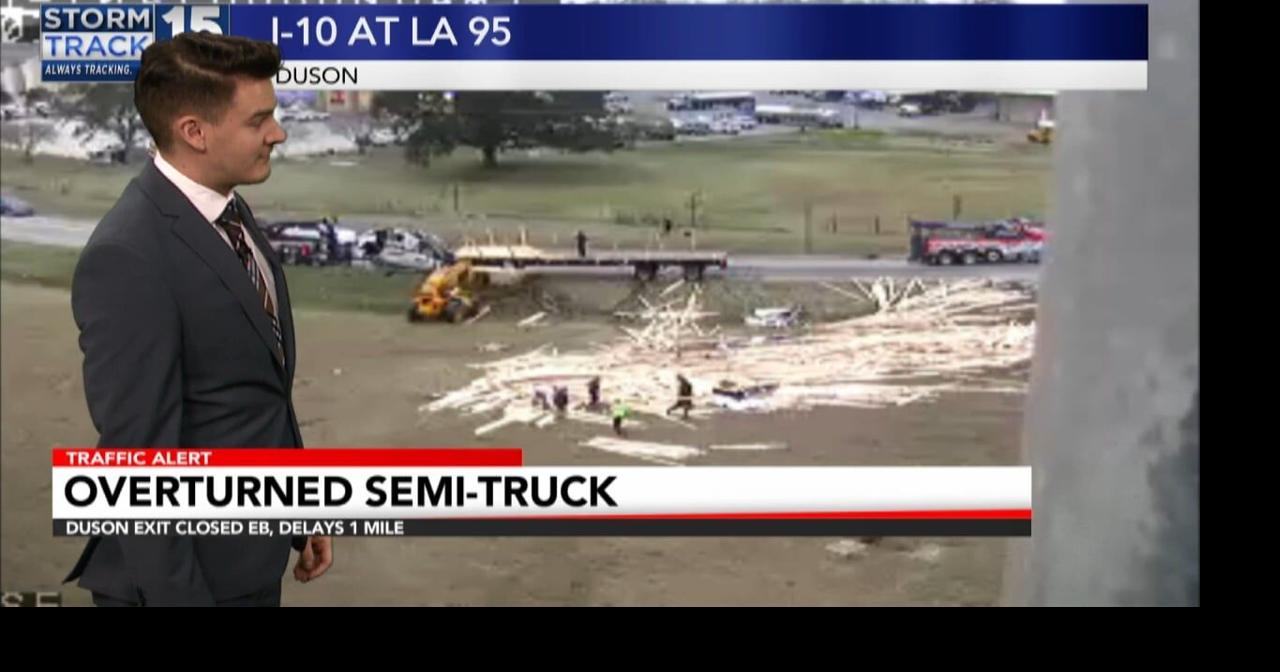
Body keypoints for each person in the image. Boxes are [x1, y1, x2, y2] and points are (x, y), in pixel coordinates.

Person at [64, 33, 331, 607]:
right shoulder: (129, 256)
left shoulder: (226, 211)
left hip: (248, 559)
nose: (277, 133)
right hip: (186, 583)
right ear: (194, 131)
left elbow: (253, 393)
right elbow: (135, 462)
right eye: (259, 120)